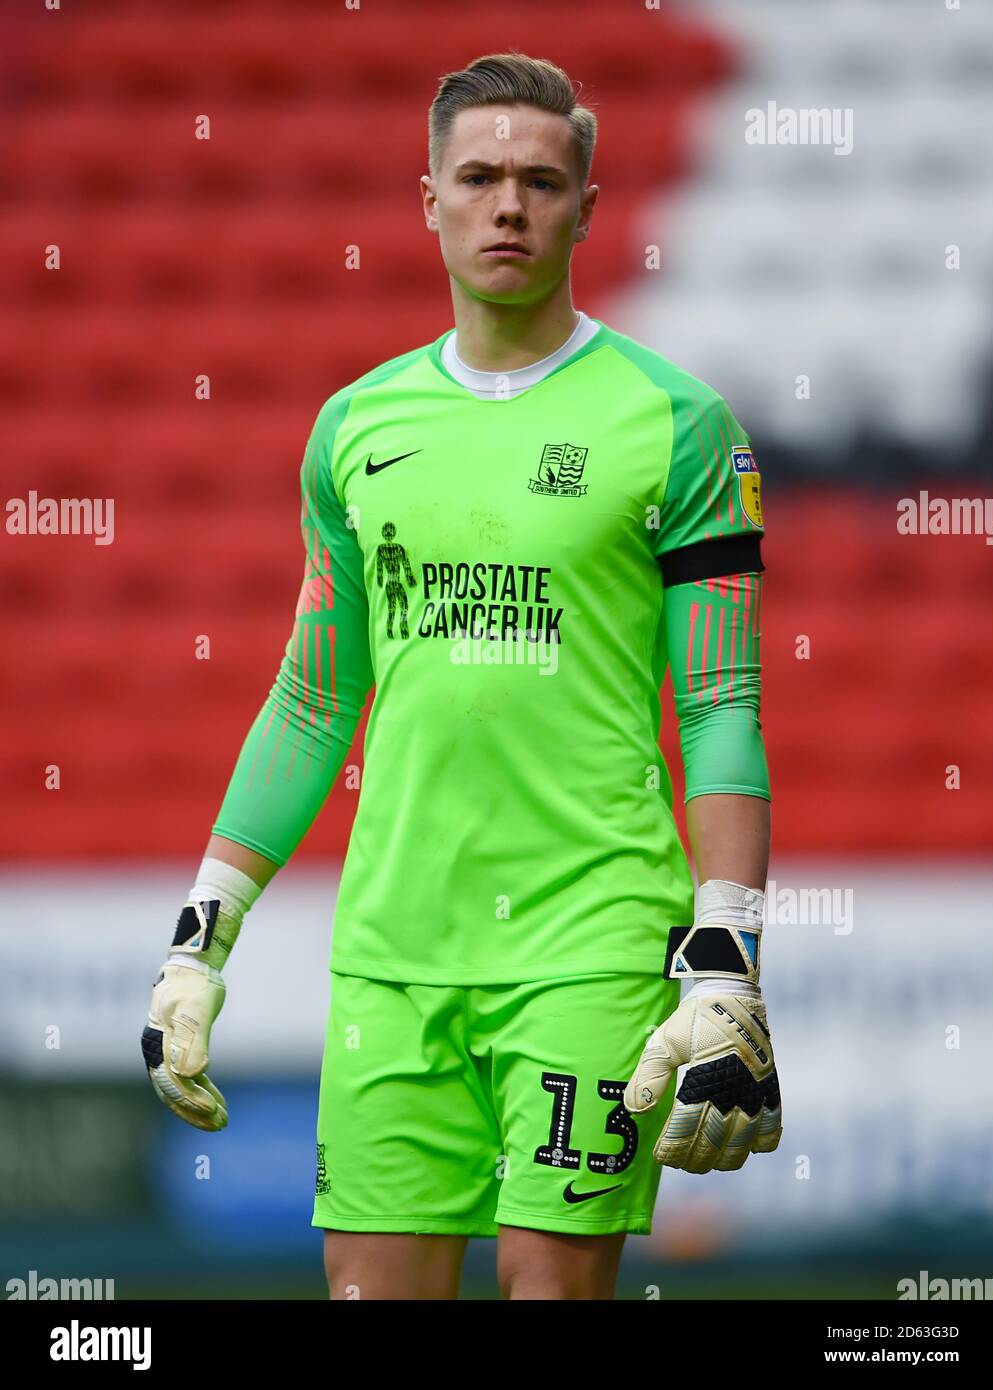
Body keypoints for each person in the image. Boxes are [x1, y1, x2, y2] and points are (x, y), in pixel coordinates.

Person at [142, 51, 781, 1302]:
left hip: (590, 940)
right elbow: (316, 697)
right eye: (477, 176)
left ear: (587, 208)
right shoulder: (354, 428)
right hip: (393, 945)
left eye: (540, 182)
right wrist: (198, 939)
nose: (507, 205)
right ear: (425, 198)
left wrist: (728, 958)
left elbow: (719, 702)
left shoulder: (682, 423)